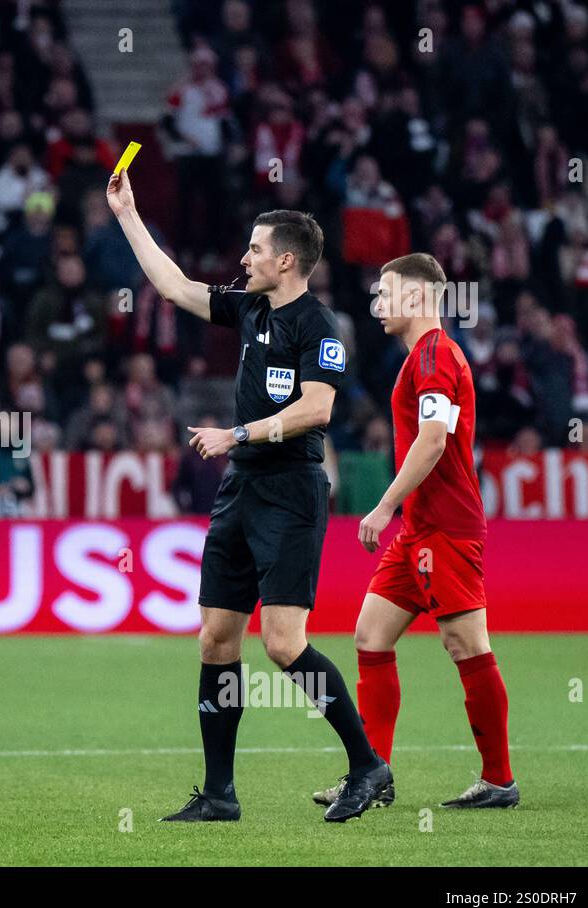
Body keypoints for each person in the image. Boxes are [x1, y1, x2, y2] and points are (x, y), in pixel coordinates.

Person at [107, 166, 390, 823]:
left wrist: (238, 433)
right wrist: (128, 215)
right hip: (243, 490)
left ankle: (366, 764)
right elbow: (175, 286)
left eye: (256, 250)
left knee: (285, 645)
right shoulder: (251, 306)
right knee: (215, 639)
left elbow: (317, 408)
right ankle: (219, 794)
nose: (244, 258)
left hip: (291, 490)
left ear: (286, 260)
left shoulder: (317, 326)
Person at [313, 253, 517, 810]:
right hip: (420, 528)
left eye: (388, 292)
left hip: (446, 526)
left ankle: (499, 779)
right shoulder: (420, 359)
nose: (378, 303)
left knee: (465, 644)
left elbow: (432, 441)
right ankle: (373, 773)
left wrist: (381, 508)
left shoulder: (434, 357)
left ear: (419, 297)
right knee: (370, 635)